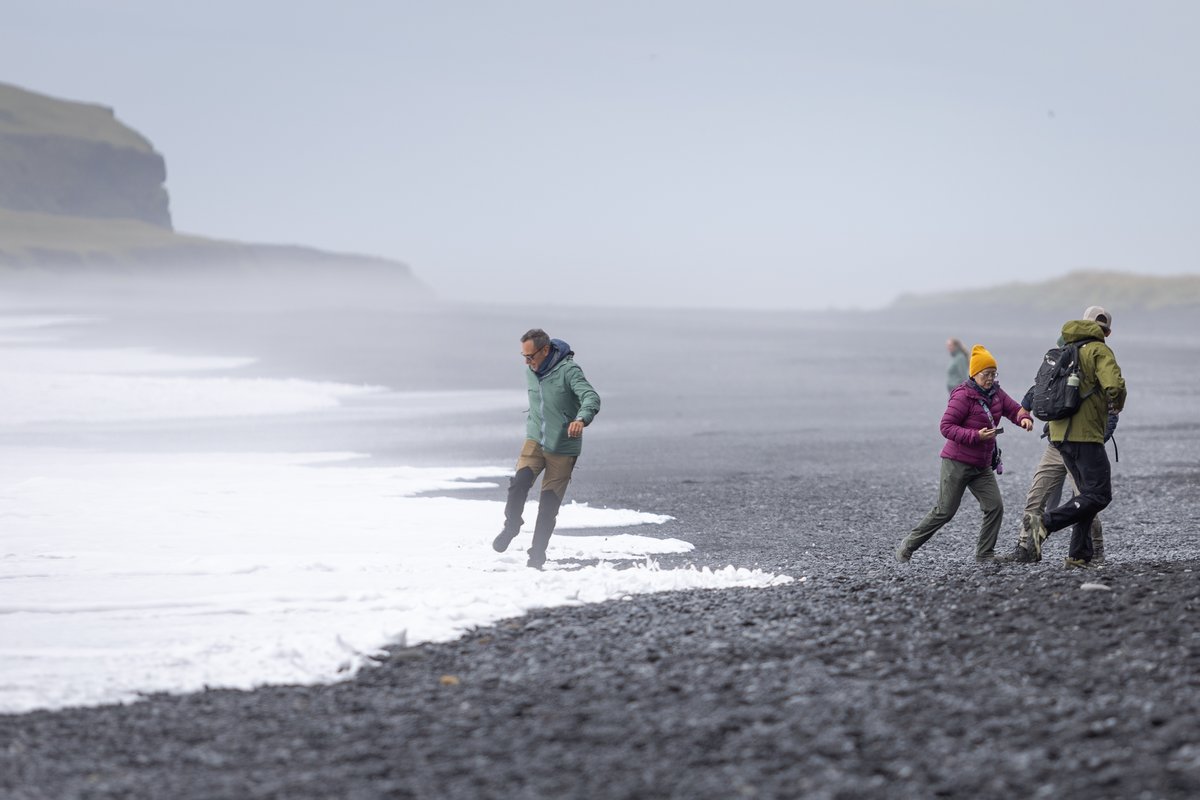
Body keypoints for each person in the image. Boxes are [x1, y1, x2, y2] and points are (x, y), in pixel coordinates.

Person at [1001, 306, 1118, 564]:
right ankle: (1028, 549)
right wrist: (1025, 405)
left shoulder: (1093, 354)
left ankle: (1091, 551)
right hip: (1067, 442)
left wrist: (1026, 406)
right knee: (1046, 496)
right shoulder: (1076, 350)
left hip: (1072, 439)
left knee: (1085, 499)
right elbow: (1047, 384)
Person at [897, 344, 1034, 563]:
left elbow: (1013, 409)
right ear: (974, 373)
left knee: (995, 507)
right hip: (957, 462)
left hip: (982, 464)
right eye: (986, 374)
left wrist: (1024, 418)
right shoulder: (962, 396)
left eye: (993, 374)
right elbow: (946, 427)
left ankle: (985, 554)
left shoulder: (996, 393)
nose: (990, 379)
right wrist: (975, 435)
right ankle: (908, 545)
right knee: (945, 511)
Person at [493, 329, 601, 569]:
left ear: (545, 350)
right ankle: (512, 525)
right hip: (535, 440)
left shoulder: (569, 371)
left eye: (530, 356)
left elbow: (591, 397)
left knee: (548, 505)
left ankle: (537, 555)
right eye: (523, 356)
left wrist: (581, 419)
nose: (526, 362)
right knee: (518, 484)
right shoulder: (531, 371)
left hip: (562, 446)